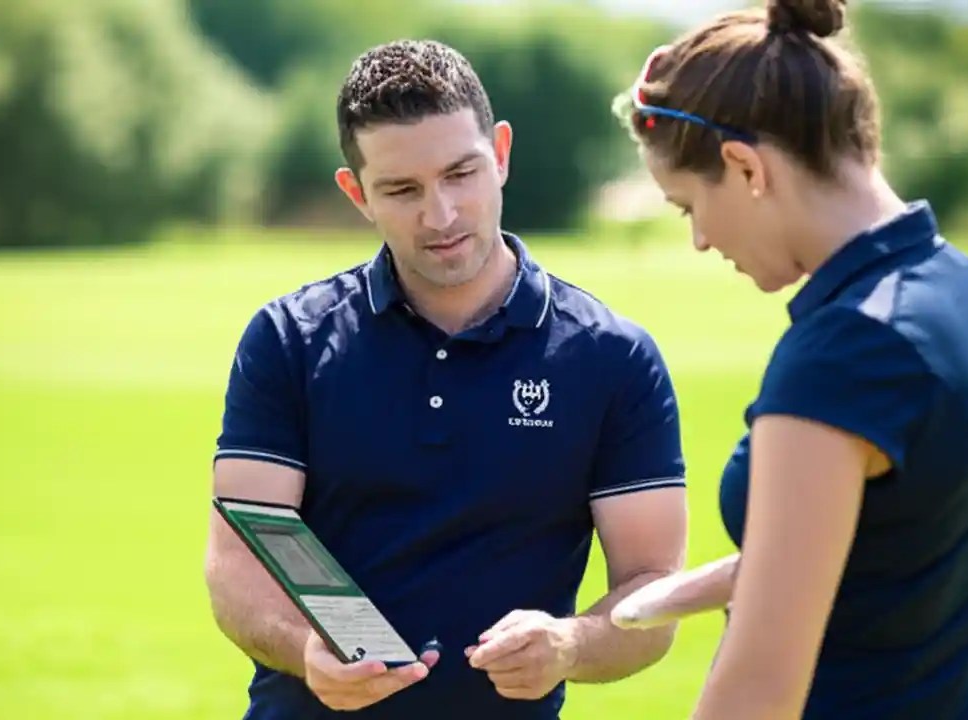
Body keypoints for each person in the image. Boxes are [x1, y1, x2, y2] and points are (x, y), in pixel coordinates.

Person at [204, 39, 689, 719]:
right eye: (402, 190)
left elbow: (651, 591)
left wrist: (571, 644)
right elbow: (237, 559)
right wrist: (305, 648)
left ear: (501, 154)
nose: (441, 215)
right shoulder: (288, 339)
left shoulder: (613, 358)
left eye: (461, 173)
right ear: (356, 193)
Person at [605, 1, 968, 718]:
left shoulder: (845, 355)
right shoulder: (965, 290)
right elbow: (891, 544)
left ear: (744, 166)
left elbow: (759, 691)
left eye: (687, 208)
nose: (701, 241)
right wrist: (703, 585)